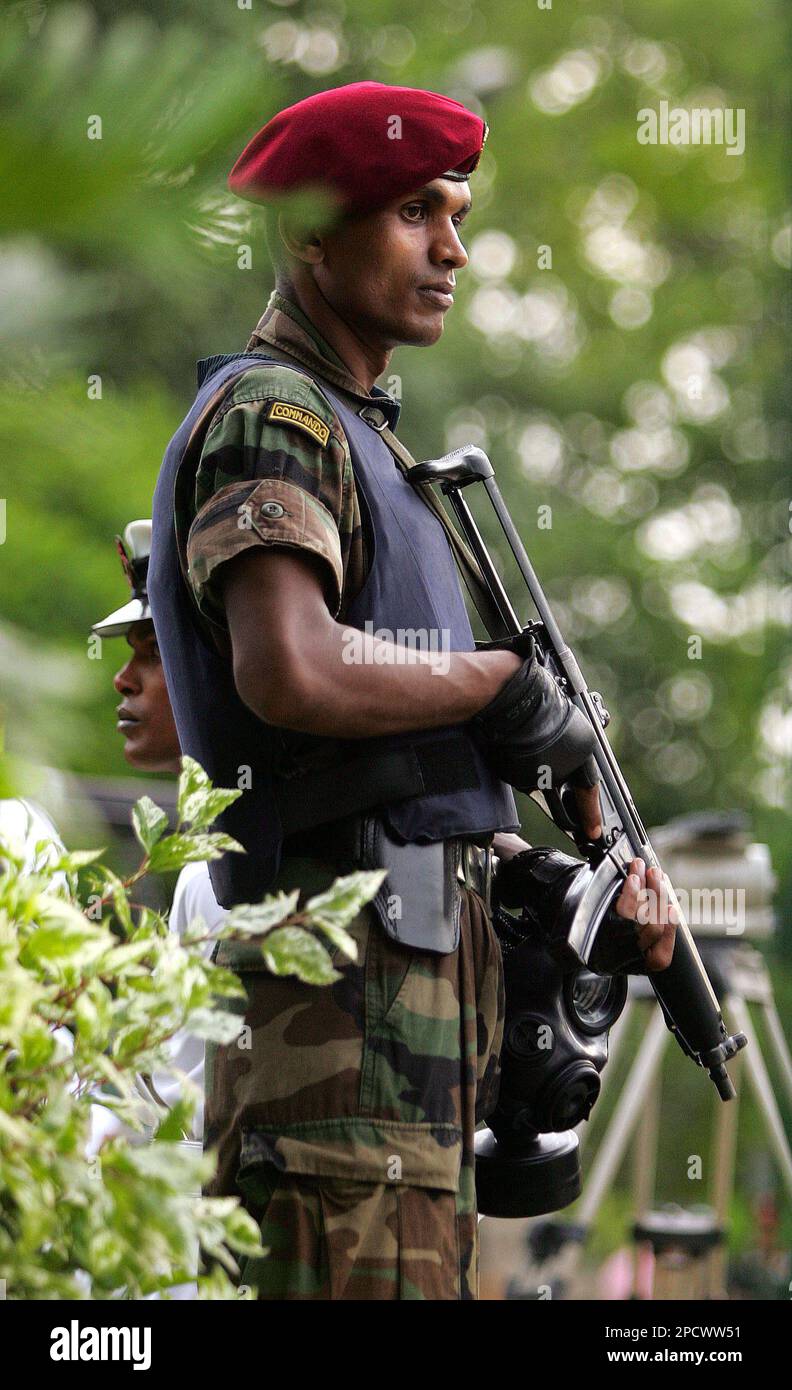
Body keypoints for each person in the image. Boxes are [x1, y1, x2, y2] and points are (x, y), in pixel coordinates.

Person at [148, 81, 676, 1300]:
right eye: (411, 212)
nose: (454, 248)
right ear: (307, 235)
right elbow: (289, 666)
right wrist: (498, 684)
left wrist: (554, 893)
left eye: (459, 213)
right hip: (328, 1077)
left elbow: (404, 787)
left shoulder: (375, 448)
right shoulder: (272, 415)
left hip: (401, 1083)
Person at [91, 519, 225, 1144]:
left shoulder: (226, 874)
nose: (123, 679)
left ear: (221, 667)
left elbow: (173, 1129)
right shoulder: (221, 853)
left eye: (153, 653)